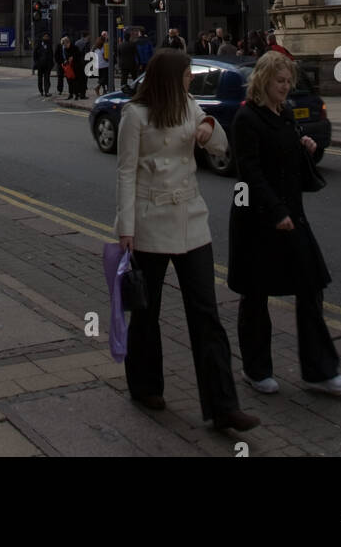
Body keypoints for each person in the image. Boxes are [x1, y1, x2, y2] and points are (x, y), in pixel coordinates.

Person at [116, 49, 259, 433]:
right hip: (150, 223)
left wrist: (210, 129)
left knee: (207, 315)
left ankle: (223, 406)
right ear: (167, 77)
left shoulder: (190, 105)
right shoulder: (135, 115)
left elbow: (219, 147)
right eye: (185, 74)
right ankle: (145, 386)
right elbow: (126, 173)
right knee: (147, 311)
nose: (190, 79)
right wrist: (125, 229)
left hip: (191, 221)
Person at [228, 51, 341, 396]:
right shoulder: (246, 118)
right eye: (279, 82)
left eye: (288, 82)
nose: (285, 88)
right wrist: (275, 212)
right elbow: (250, 172)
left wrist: (306, 149)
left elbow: (287, 161)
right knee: (256, 294)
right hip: (257, 220)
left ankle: (320, 370)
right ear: (263, 81)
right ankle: (256, 369)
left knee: (311, 285)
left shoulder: (283, 113)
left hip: (291, 215)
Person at [57, 35, 85, 100]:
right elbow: (65, 57)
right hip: (69, 68)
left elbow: (79, 56)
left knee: (76, 81)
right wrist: (65, 62)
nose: (65, 46)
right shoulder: (66, 49)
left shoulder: (75, 48)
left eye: (65, 44)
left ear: (68, 42)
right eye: (63, 45)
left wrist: (73, 57)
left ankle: (77, 94)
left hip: (76, 67)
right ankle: (71, 94)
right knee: (69, 81)